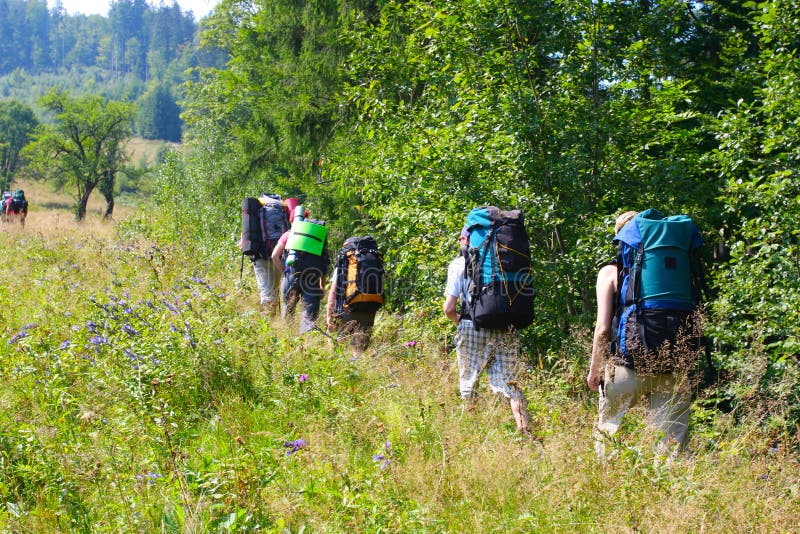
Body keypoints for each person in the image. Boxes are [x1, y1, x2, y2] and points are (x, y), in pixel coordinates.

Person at [587, 210, 695, 459]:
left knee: (610, 431)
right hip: (672, 366)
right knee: (671, 446)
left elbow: (603, 328)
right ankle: (671, 494)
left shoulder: (609, 273)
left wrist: (595, 369)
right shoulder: (673, 265)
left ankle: (606, 486)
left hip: (627, 366)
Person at [443, 226, 532, 437]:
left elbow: (449, 308)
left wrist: (458, 323)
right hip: (506, 327)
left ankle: (473, 433)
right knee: (510, 383)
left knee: (469, 383)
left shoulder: (459, 264)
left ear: (467, 239)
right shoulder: (505, 263)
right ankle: (525, 430)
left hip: (471, 325)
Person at [271, 208, 329, 334]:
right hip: (312, 278)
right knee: (310, 317)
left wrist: (285, 272)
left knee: (288, 311)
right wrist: (321, 286)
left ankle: (287, 340)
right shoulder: (316, 236)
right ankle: (306, 344)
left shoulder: (288, 234)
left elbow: (274, 255)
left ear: (292, 220)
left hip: (291, 276)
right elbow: (324, 263)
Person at [325, 236, 383, 356]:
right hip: (370, 309)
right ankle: (357, 369)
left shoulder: (346, 262)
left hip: (347, 309)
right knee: (359, 350)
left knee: (335, 343)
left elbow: (333, 293)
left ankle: (334, 366)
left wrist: (329, 316)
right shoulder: (374, 261)